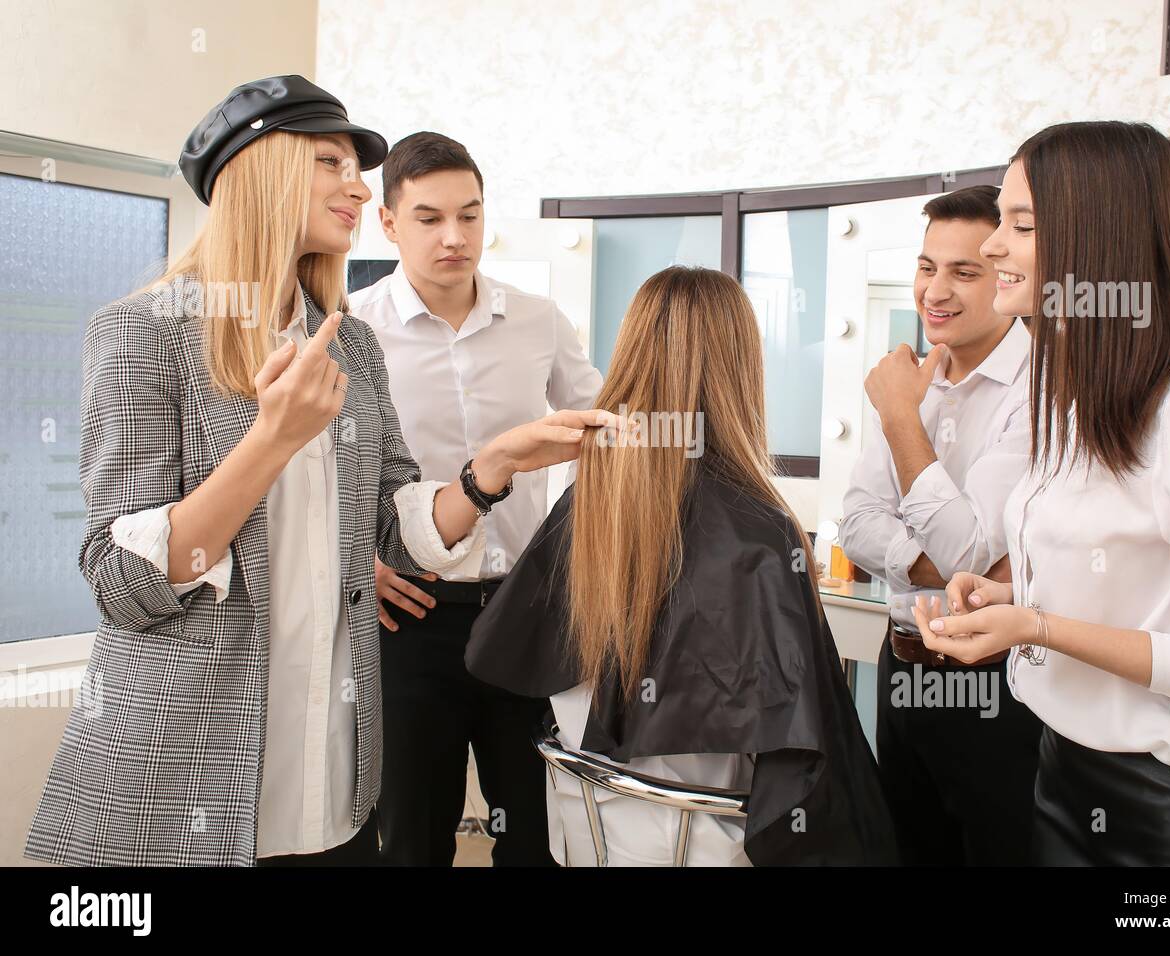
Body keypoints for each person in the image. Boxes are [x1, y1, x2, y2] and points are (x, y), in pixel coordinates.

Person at [23, 75, 615, 867]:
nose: (357, 186)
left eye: (356, 168)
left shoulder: (351, 348)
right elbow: (123, 583)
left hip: (334, 790)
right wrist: (272, 439)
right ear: (262, 171)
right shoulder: (143, 333)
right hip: (190, 778)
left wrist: (489, 469)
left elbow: (396, 535)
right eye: (331, 162)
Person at [914, 120, 1170, 866]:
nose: (993, 244)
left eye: (1020, 224)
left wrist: (1039, 628)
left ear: (1097, 244)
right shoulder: (1078, 405)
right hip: (1063, 778)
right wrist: (1017, 603)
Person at [466, 266, 898, 866]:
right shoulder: (765, 534)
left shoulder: (589, 507)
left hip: (589, 833)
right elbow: (806, 761)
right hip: (708, 843)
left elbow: (516, 656)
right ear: (741, 371)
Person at [350, 131, 602, 866]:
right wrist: (357, 562)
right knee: (413, 838)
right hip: (409, 617)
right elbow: (310, 475)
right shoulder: (350, 331)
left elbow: (604, 437)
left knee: (535, 834)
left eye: (470, 214)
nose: (455, 237)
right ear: (389, 224)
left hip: (526, 611)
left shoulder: (538, 321)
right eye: (429, 218)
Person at [839, 185, 1042, 865]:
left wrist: (900, 418)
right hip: (902, 662)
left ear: (1006, 277)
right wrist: (950, 569)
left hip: (995, 680)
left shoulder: (1041, 389)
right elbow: (858, 522)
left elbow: (969, 541)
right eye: (928, 267)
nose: (937, 291)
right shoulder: (916, 374)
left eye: (964, 272)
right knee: (904, 851)